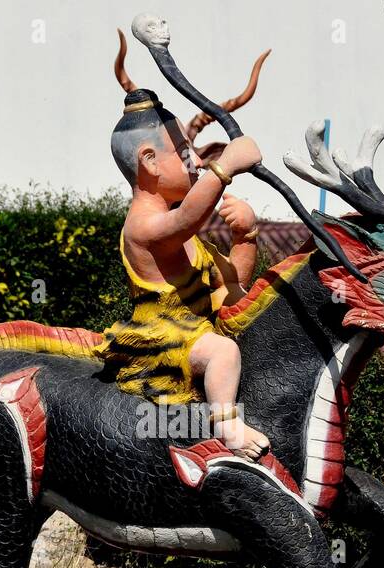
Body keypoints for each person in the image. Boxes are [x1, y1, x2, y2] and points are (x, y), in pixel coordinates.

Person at [98, 88, 270, 460]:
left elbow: (232, 284)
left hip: (201, 325)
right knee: (223, 352)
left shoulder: (187, 239)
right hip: (168, 334)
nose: (195, 160)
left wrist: (246, 236)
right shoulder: (143, 226)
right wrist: (224, 167)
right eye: (183, 151)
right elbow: (187, 216)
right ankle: (226, 425)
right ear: (150, 161)